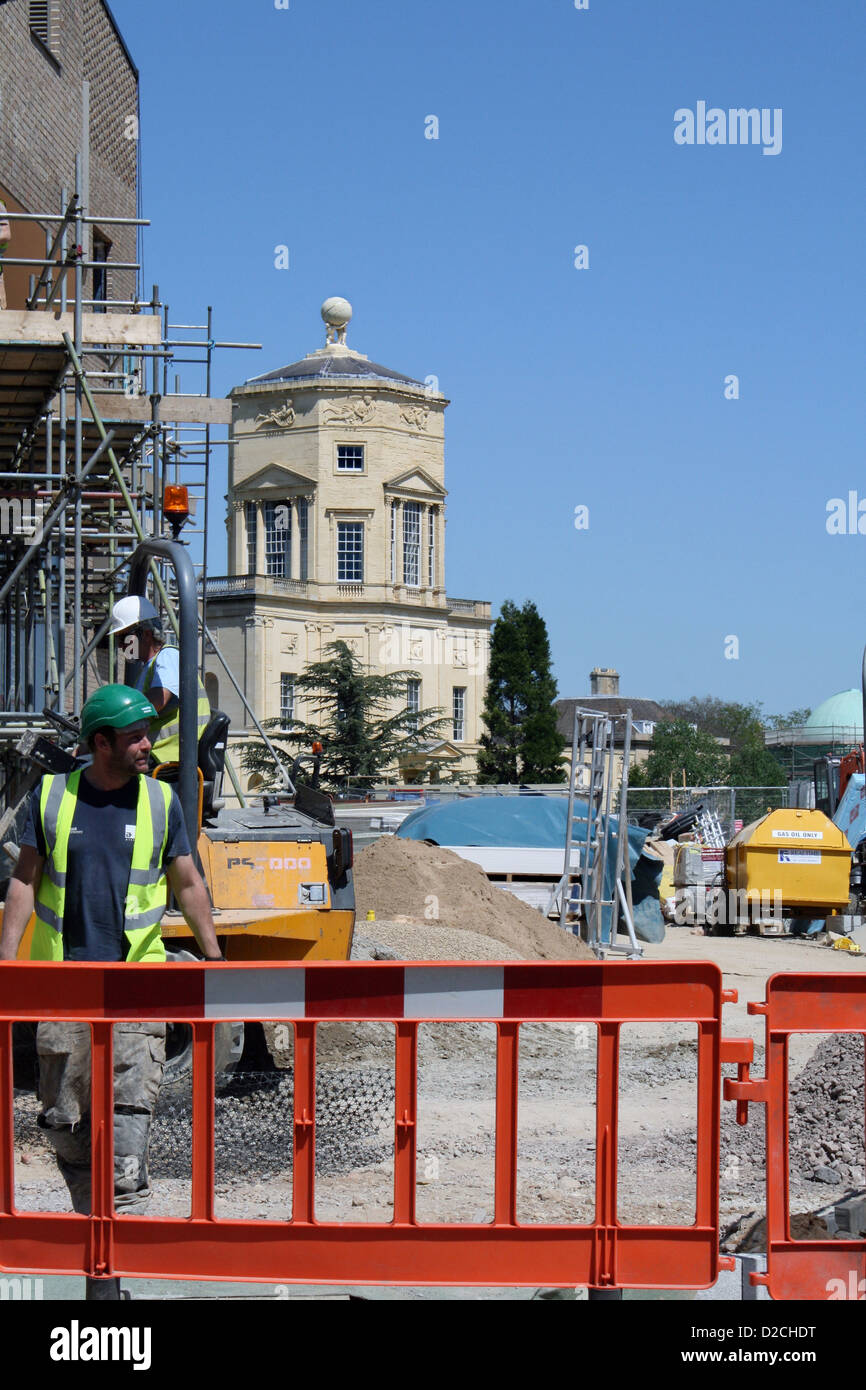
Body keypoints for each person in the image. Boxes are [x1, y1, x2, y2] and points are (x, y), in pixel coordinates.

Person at [0, 684, 224, 1300]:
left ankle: (108, 1281)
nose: (149, 745)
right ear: (101, 744)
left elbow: (188, 881)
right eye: (136, 737)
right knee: (67, 1125)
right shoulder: (50, 797)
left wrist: (214, 958)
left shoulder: (160, 801)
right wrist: (7, 966)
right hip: (65, 991)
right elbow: (23, 883)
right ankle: (96, 1244)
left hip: (134, 992)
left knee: (124, 1142)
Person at [108, 594, 210, 765]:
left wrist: (116, 717)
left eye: (124, 637)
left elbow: (159, 699)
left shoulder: (168, 656)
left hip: (166, 758)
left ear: (146, 634)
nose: (121, 645)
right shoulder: (147, 669)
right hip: (154, 754)